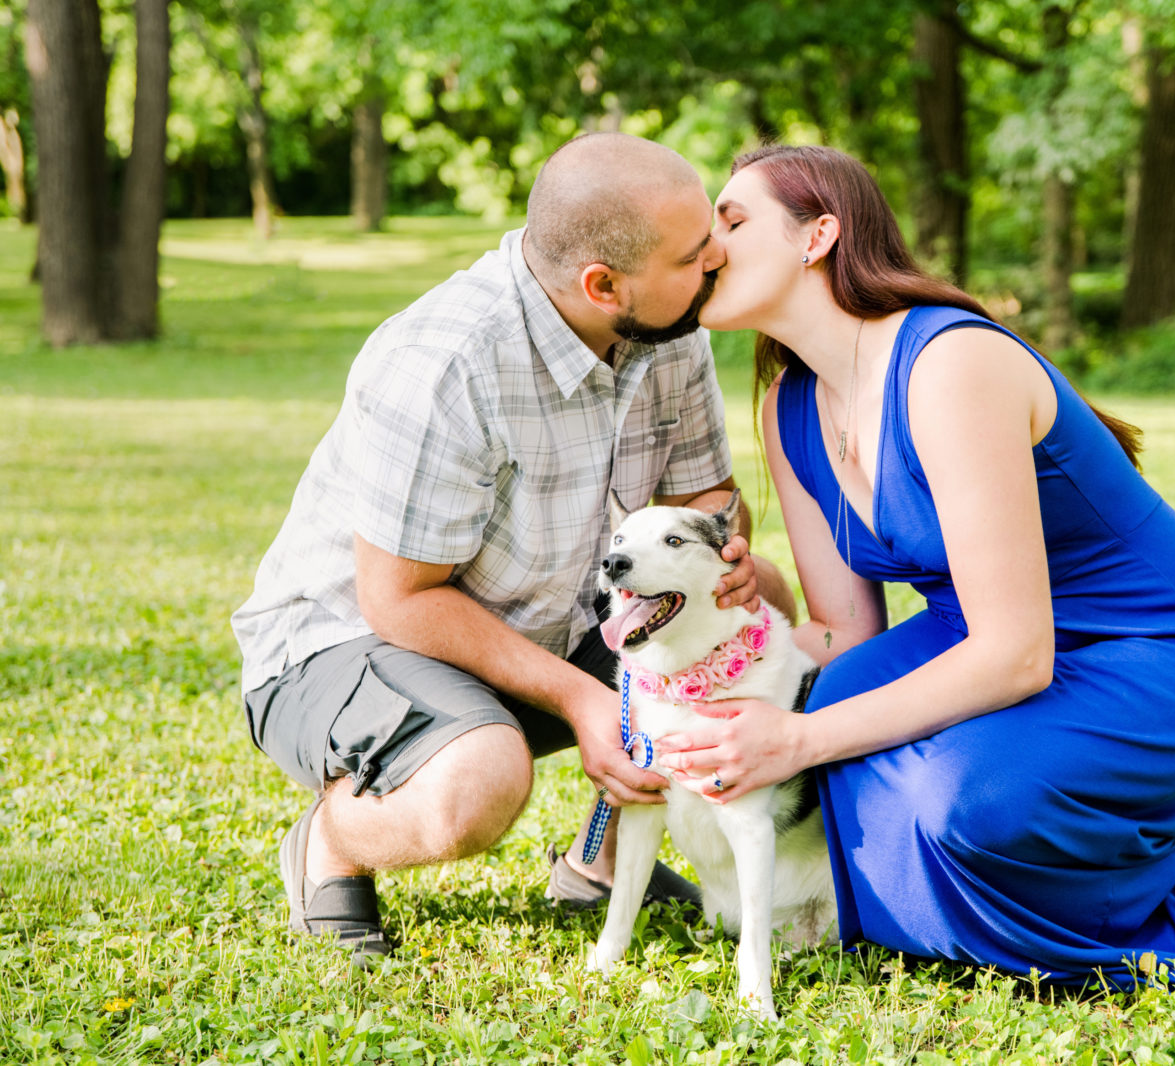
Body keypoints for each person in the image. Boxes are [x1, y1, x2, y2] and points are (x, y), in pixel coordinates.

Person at [654, 145, 1175, 988]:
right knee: (841, 710)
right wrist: (715, 673)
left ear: (817, 236)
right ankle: (977, 857)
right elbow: (841, 630)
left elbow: (1017, 652)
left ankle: (1111, 889)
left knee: (957, 803)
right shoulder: (789, 406)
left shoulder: (948, 364)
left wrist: (796, 739)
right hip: (969, 630)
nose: (708, 245)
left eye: (732, 219)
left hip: (1150, 646)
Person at [232, 132, 795, 958]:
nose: (719, 256)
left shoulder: (669, 326)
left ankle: (598, 859)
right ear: (603, 285)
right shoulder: (447, 362)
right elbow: (400, 599)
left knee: (760, 610)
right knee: (479, 786)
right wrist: (584, 700)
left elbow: (705, 500)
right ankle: (334, 841)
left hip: (558, 612)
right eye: (693, 253)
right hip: (350, 639)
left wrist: (729, 554)